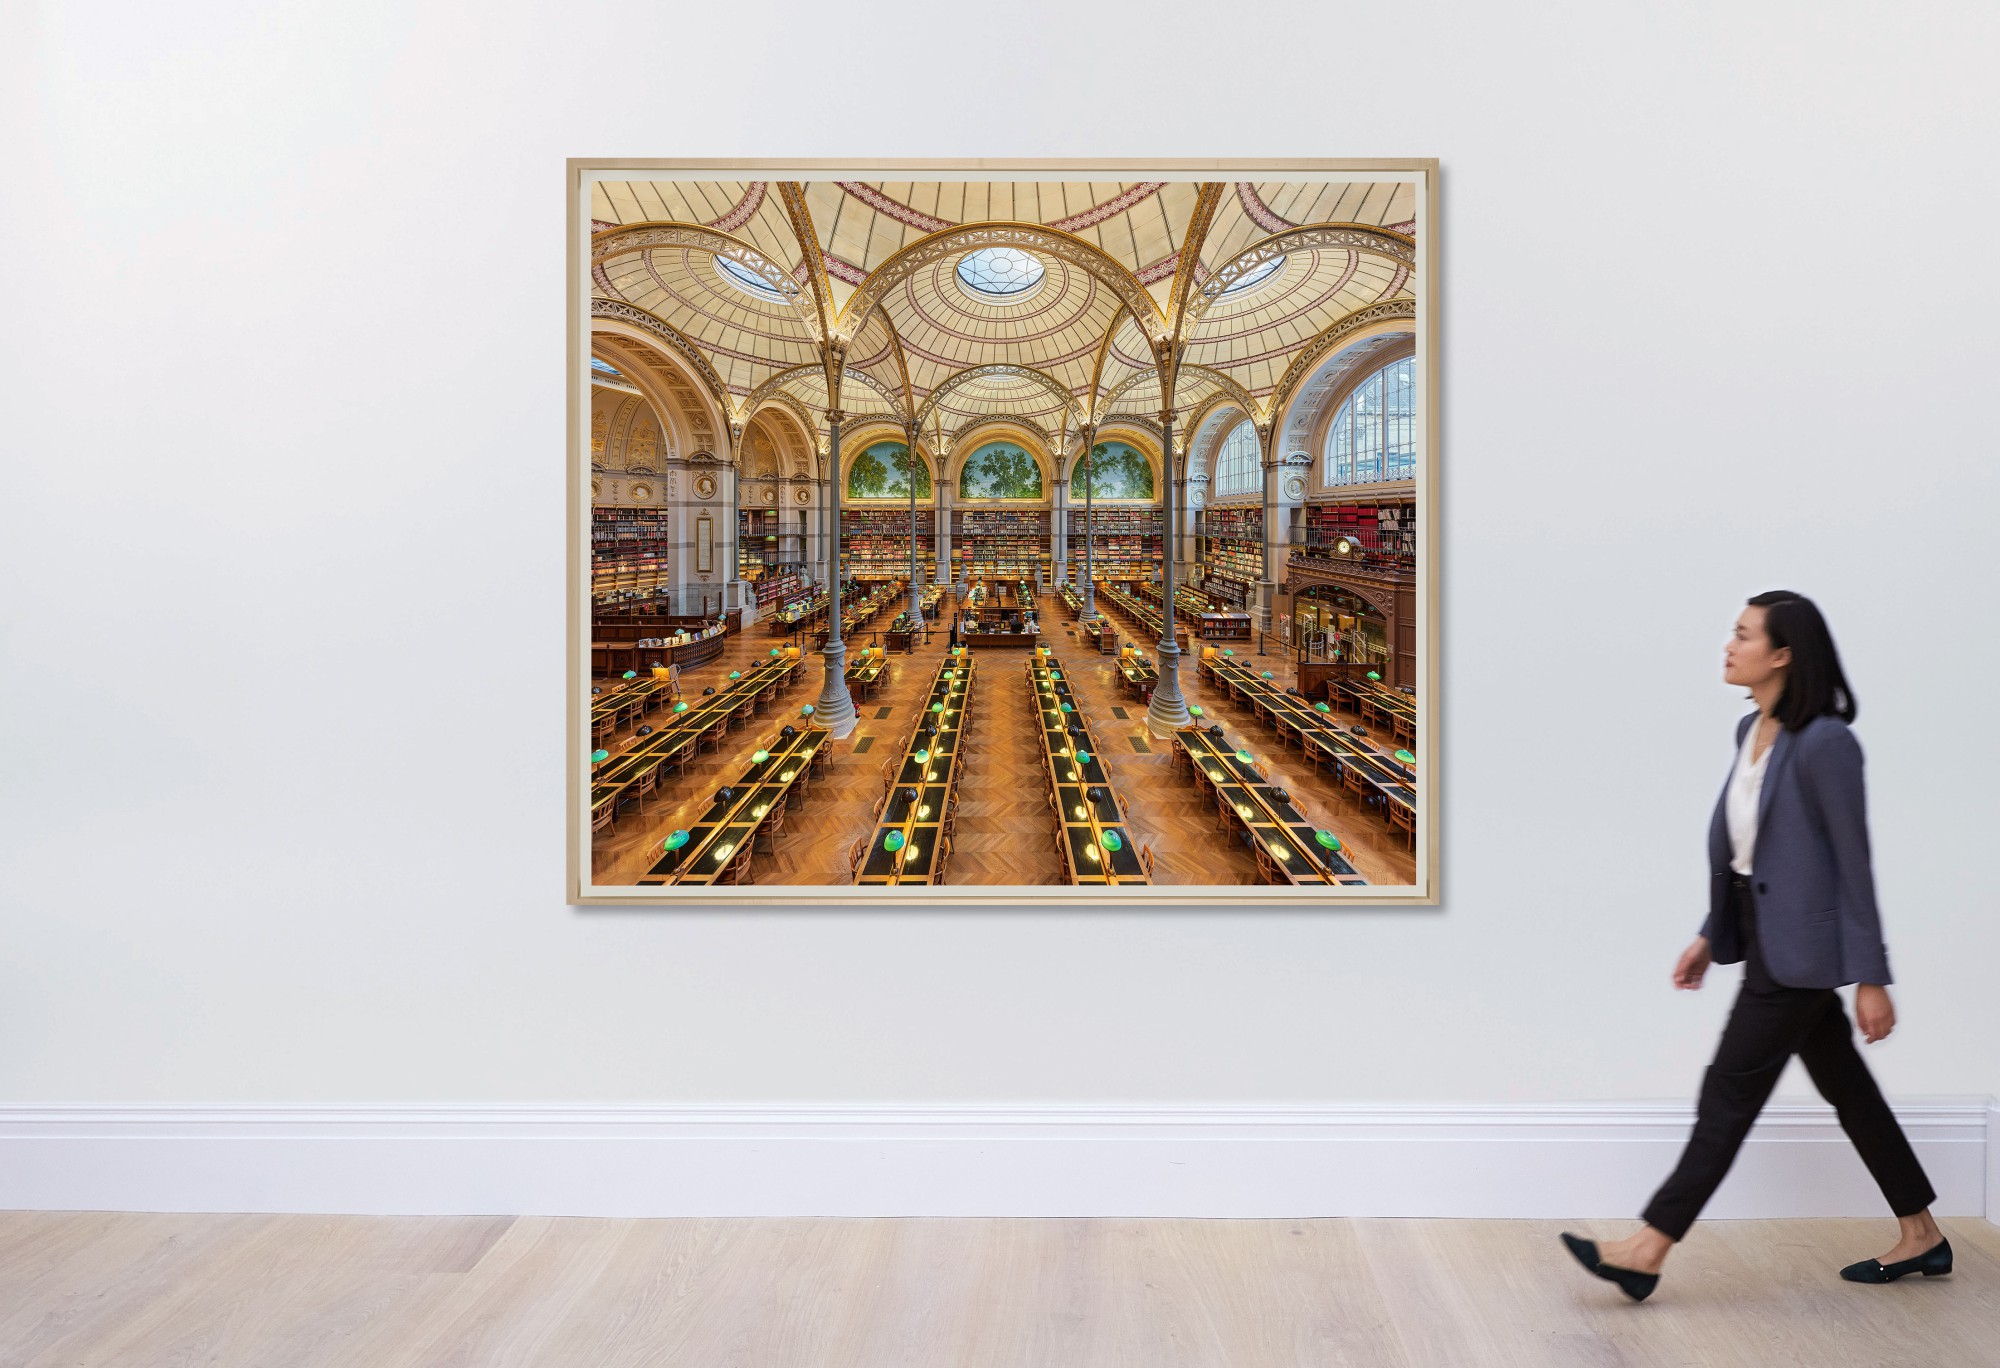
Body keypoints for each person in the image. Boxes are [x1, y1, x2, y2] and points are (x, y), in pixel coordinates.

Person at [1561, 591, 1946, 1302]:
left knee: (1728, 1092)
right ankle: (1922, 1234)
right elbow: (1753, 855)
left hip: (1799, 954)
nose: (1729, 645)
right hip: (1764, 936)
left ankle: (1647, 1249)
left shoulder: (1826, 742)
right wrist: (1712, 933)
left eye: (1743, 635)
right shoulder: (1751, 729)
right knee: (1848, 1088)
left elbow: (1851, 863)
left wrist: (1872, 975)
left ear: (1783, 654)